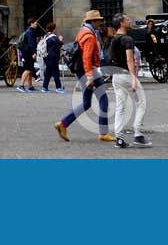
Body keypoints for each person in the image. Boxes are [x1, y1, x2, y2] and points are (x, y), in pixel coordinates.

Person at [53, 10, 112, 143]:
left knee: (86, 103)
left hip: (83, 72)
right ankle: (103, 132)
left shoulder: (82, 32)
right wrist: (90, 76)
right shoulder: (90, 36)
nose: (100, 23)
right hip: (90, 71)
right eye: (98, 20)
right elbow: (86, 57)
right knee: (103, 99)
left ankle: (63, 123)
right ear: (92, 22)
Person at [107, 14, 151, 149]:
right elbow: (130, 60)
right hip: (126, 75)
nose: (130, 21)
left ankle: (119, 138)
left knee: (120, 107)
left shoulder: (113, 39)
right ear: (121, 23)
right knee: (141, 102)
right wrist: (133, 78)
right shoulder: (127, 39)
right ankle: (138, 134)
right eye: (127, 20)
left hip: (116, 75)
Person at [15, 18, 42, 92]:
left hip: (26, 52)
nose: (36, 25)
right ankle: (21, 85)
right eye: (36, 23)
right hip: (28, 52)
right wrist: (34, 52)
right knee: (28, 69)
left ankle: (30, 86)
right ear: (31, 24)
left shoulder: (28, 30)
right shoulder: (30, 32)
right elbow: (31, 43)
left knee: (30, 69)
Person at [37, 21, 64, 93]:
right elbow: (59, 44)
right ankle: (58, 87)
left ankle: (44, 87)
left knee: (48, 72)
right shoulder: (53, 37)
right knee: (56, 72)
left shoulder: (46, 36)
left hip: (46, 56)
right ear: (53, 29)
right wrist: (61, 39)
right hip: (53, 57)